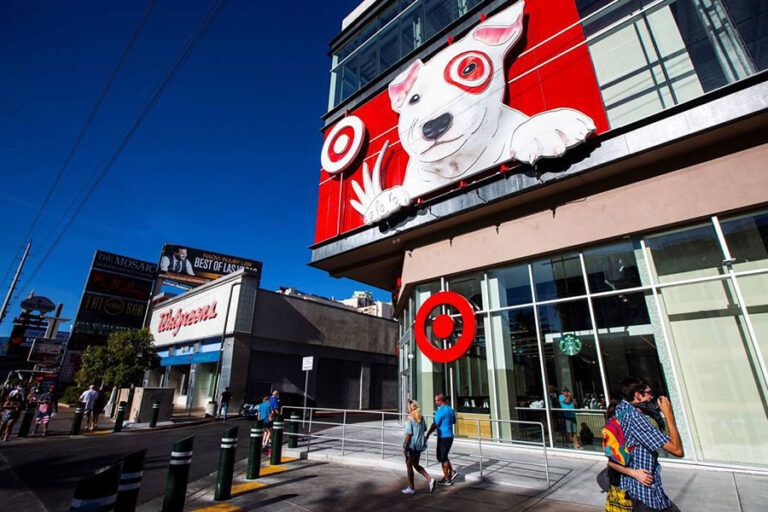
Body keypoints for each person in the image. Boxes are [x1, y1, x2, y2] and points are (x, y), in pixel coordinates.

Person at [614, 377, 684, 512]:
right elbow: (677, 450)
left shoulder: (621, 409)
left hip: (635, 488)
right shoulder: (635, 419)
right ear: (637, 395)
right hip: (645, 493)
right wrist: (668, 414)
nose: (651, 397)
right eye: (648, 393)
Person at [402, 400, 435, 494]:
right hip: (419, 445)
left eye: (408, 406)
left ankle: (411, 488)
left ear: (411, 408)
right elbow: (424, 429)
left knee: (409, 467)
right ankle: (430, 479)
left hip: (411, 446)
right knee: (416, 465)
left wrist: (405, 446)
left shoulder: (409, 419)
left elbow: (408, 434)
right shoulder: (421, 418)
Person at [425, 393, 457, 486]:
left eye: (436, 400)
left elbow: (435, 424)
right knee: (443, 456)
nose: (435, 402)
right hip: (449, 436)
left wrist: (428, 434)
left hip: (443, 436)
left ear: (440, 401)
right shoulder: (450, 409)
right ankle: (452, 472)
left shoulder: (440, 411)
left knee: (442, 457)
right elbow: (454, 421)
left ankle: (447, 479)